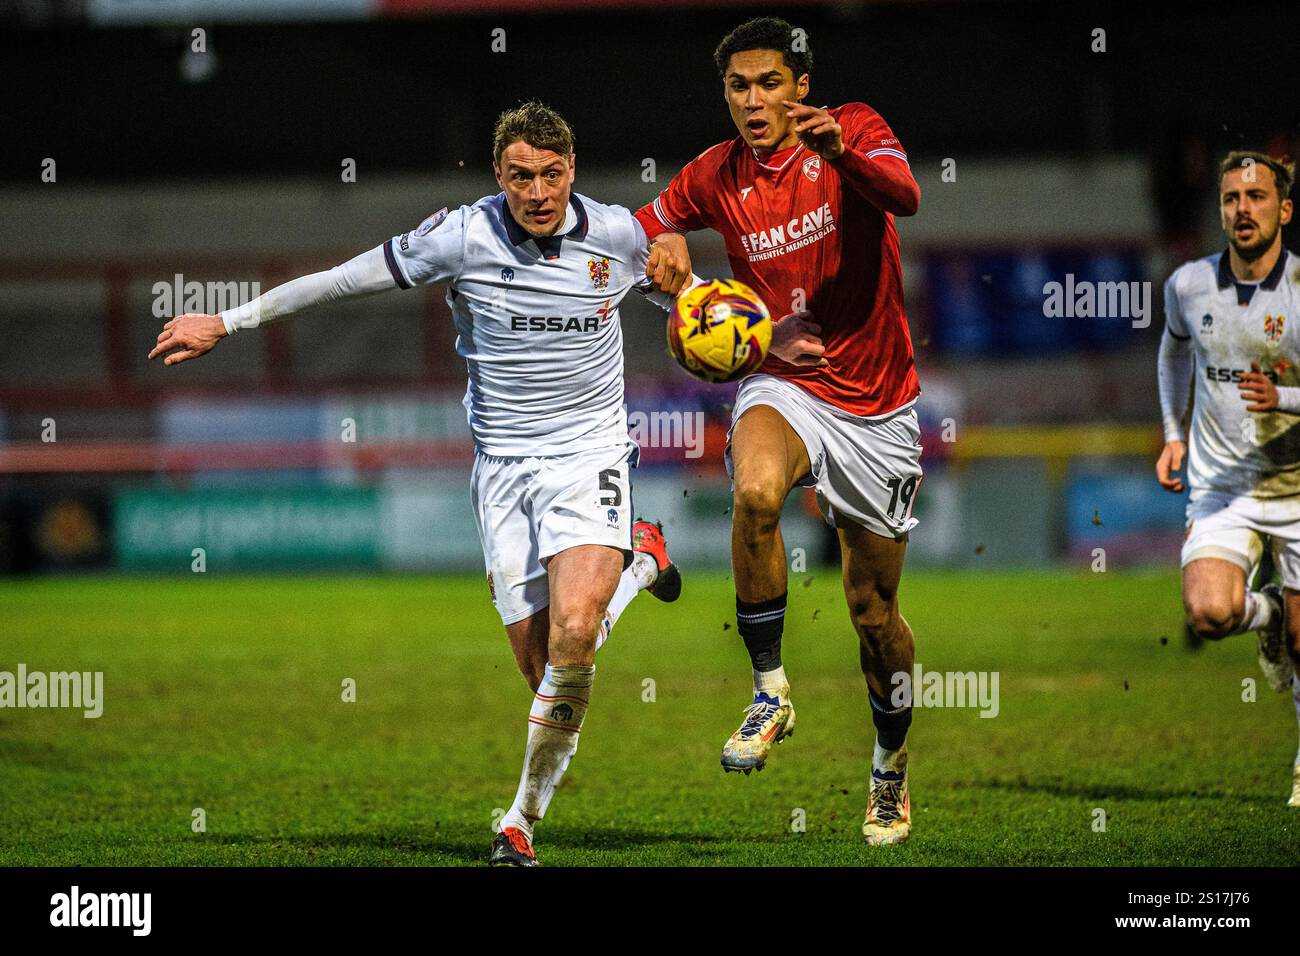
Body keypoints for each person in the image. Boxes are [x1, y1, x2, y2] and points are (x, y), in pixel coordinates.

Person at [149, 101, 694, 861]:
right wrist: (228, 321)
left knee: (574, 637)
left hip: (588, 452)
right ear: (498, 177)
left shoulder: (619, 236)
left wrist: (704, 288)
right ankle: (638, 563)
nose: (536, 192)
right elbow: (342, 281)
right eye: (518, 177)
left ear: (571, 170)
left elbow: (700, 310)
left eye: (549, 175)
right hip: (502, 467)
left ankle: (519, 823)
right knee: (546, 670)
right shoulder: (460, 236)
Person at [634, 17, 923, 844]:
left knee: (874, 614)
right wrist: (666, 246)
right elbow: (641, 227)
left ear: (800, 86)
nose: (753, 101)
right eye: (737, 87)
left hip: (875, 402)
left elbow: (905, 197)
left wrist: (843, 156)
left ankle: (890, 767)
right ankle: (770, 690)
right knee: (756, 493)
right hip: (781, 382)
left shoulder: (856, 128)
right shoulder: (716, 173)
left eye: (768, 84)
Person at [1156, 150, 1300, 806]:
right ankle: (1265, 611)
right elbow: (1174, 350)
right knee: (1209, 613)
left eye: (1257, 196)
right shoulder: (1189, 286)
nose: (1242, 209)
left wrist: (1286, 401)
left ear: (1284, 210)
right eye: (1231, 198)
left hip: (1296, 487)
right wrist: (1172, 434)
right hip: (1221, 487)